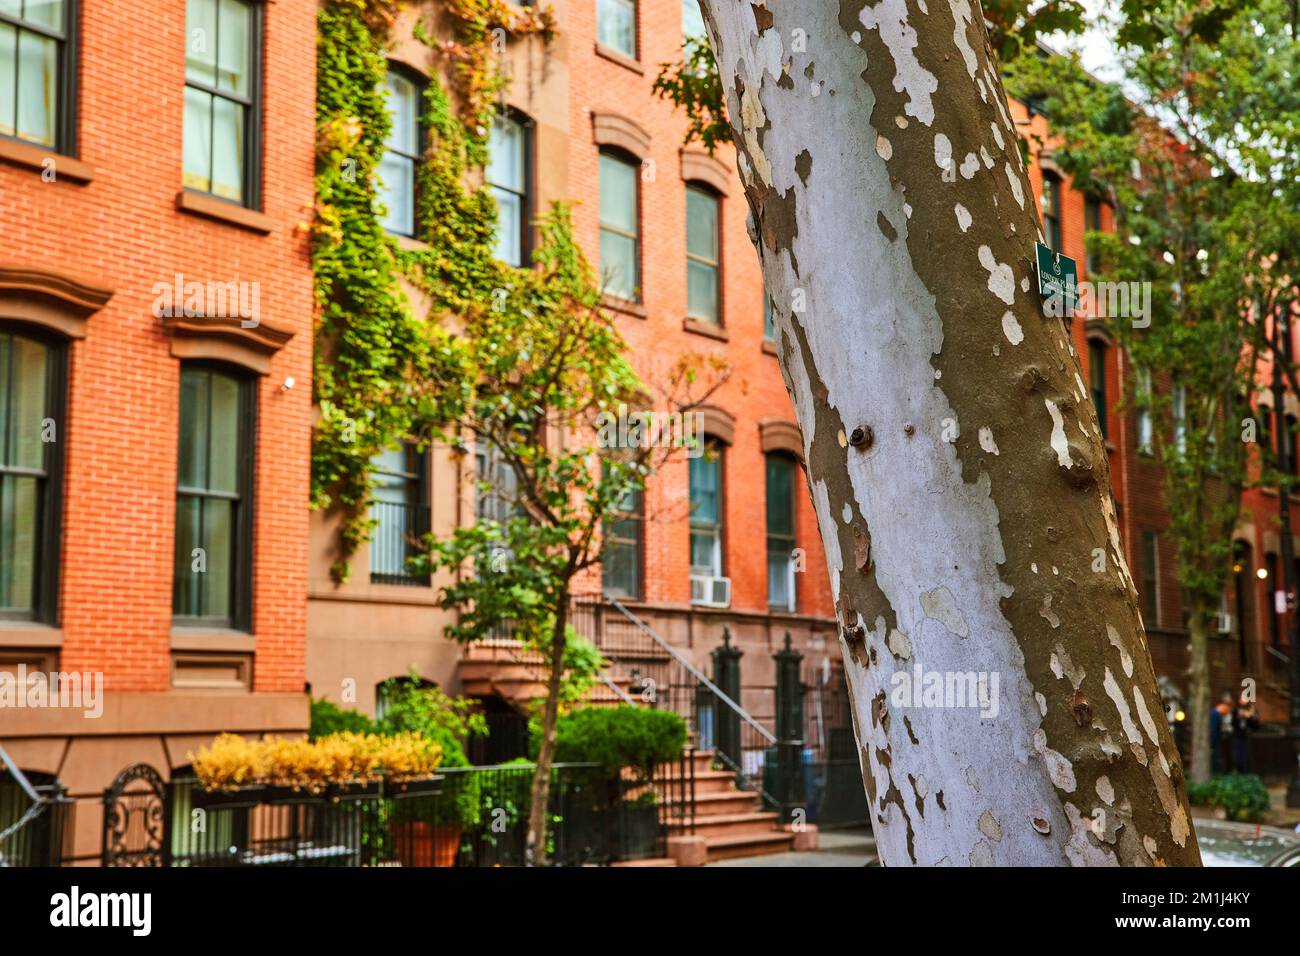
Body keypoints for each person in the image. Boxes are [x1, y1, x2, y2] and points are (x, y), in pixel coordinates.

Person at [1232, 693, 1259, 773]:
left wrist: (1251, 717)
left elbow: (1255, 726)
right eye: (1241, 699)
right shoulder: (1236, 710)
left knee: (1247, 756)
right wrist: (1239, 717)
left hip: (1248, 736)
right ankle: (1239, 771)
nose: (1243, 701)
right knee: (1238, 756)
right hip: (1237, 735)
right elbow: (1233, 723)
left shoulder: (1252, 710)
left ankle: (1247, 772)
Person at [1211, 692, 1234, 775]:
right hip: (1215, 742)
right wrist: (1212, 744)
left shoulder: (1216, 714)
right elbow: (1213, 731)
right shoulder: (1215, 715)